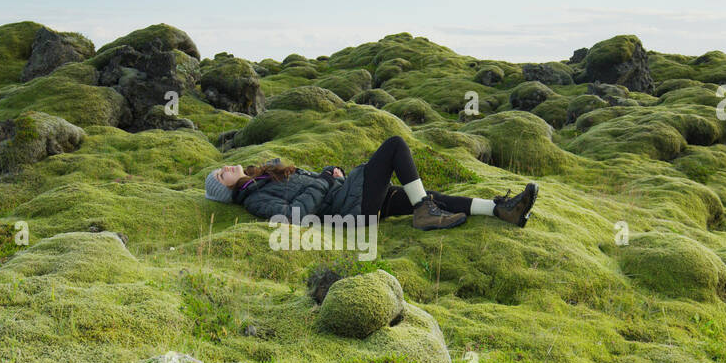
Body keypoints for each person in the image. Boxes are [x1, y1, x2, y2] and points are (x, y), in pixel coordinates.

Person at [204, 135, 537, 230]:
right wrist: (323, 181)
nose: (228, 167)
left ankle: (500, 210)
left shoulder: (263, 175)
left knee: (423, 192)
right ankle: (424, 211)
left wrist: (327, 173)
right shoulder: (254, 200)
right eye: (222, 174)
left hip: (350, 199)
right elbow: (295, 216)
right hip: (351, 213)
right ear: (226, 189)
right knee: (394, 146)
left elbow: (308, 186)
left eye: (223, 168)